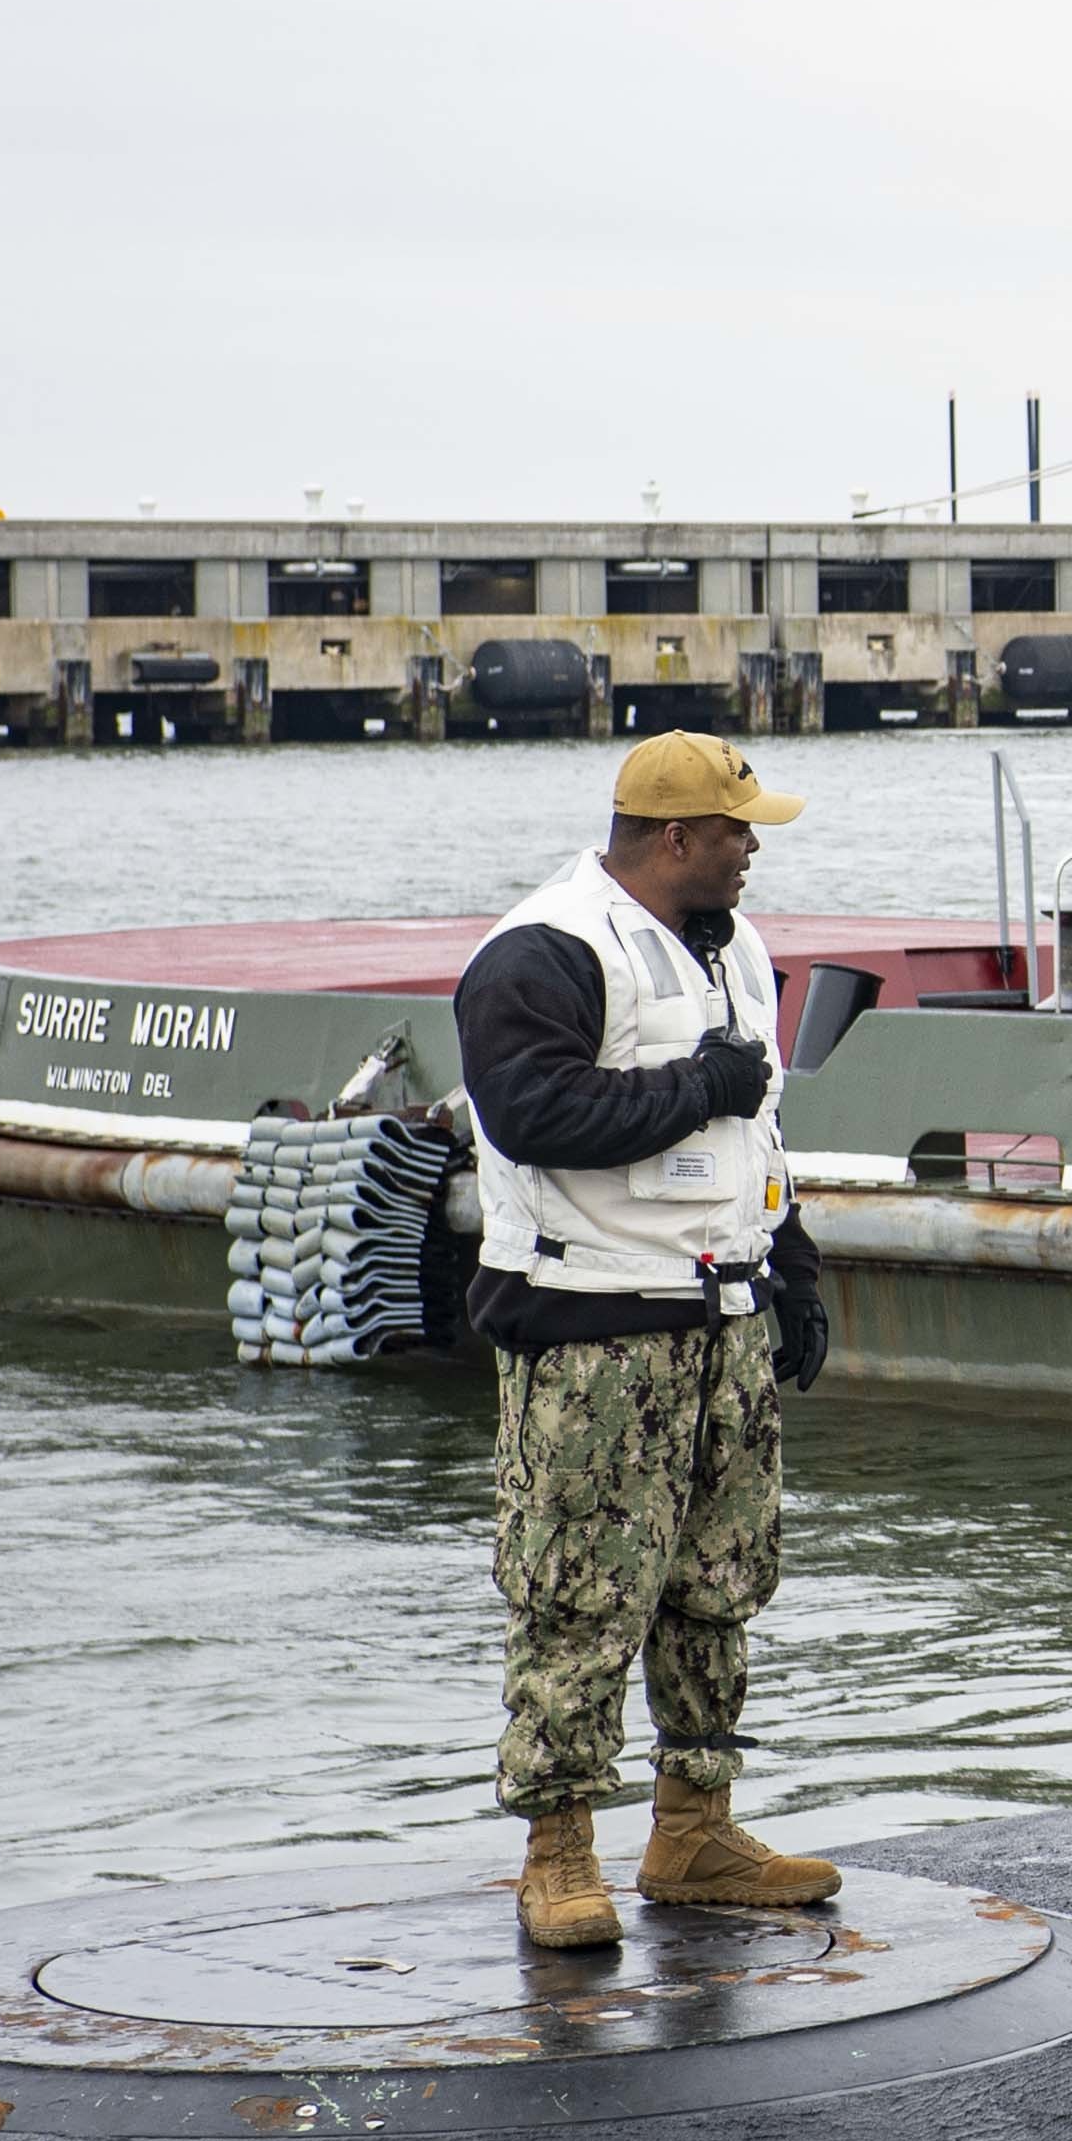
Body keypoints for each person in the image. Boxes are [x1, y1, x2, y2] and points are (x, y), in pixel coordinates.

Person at [455, 731, 838, 1951]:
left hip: (720, 1313)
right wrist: (698, 1089)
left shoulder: (734, 951)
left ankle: (694, 1828)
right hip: (593, 1332)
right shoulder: (542, 950)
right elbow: (530, 1112)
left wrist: (792, 1259)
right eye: (736, 832)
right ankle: (558, 1851)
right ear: (672, 837)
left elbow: (754, 1133)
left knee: (715, 1585)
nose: (752, 850)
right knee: (577, 1596)